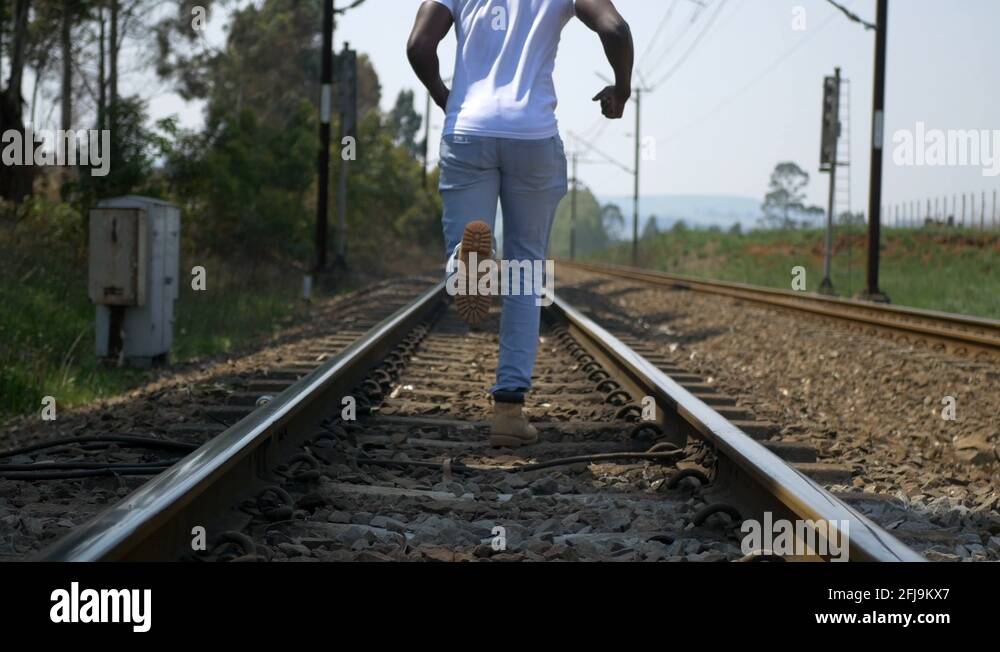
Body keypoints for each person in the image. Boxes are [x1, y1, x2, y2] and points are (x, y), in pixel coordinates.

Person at [407, 0, 633, 447]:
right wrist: (621, 89)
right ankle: (509, 411)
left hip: (468, 130)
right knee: (526, 273)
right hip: (532, 136)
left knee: (463, 247)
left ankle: (467, 264)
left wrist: (440, 92)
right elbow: (615, 29)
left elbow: (418, 44)